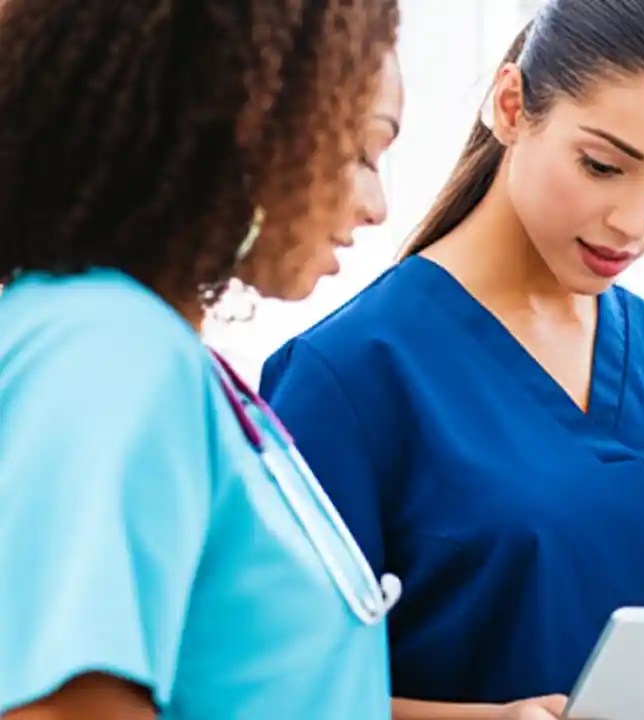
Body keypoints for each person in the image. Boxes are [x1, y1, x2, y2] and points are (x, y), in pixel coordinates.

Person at [258, 0, 644, 717]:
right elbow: (269, 693)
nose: (633, 223)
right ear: (511, 106)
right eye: (603, 166)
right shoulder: (346, 378)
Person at [0, 2, 401, 717]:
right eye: (360, 153)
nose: (378, 206)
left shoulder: (167, 359)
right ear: (240, 124)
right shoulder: (110, 346)